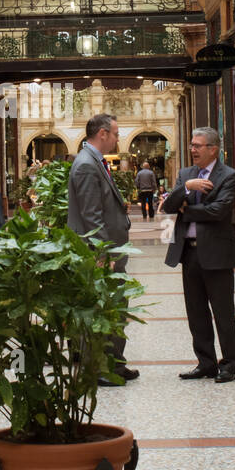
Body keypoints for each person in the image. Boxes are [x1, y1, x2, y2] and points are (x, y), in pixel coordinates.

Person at [162, 128, 235, 383]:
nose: (193, 150)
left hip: (217, 254)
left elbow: (218, 211)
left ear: (213, 149)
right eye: (191, 145)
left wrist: (188, 210)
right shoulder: (186, 174)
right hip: (190, 253)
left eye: (198, 145)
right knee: (196, 312)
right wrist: (186, 187)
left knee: (223, 312)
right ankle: (205, 362)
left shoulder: (229, 176)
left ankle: (229, 364)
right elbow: (169, 206)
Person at [67, 114, 138, 384]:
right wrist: (102, 253)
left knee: (116, 306)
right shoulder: (86, 165)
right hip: (99, 255)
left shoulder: (94, 161)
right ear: (103, 133)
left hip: (109, 251)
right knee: (103, 309)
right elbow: (91, 216)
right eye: (116, 133)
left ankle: (115, 364)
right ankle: (97, 369)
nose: (119, 138)